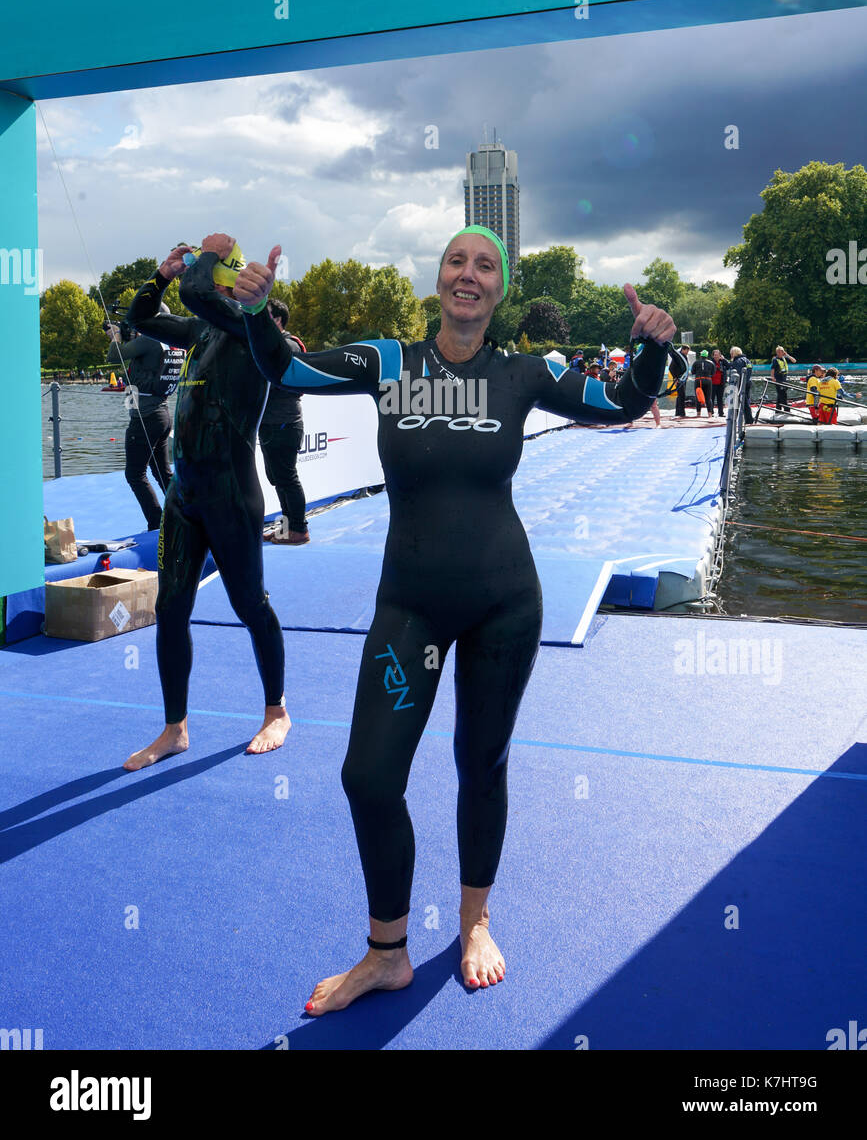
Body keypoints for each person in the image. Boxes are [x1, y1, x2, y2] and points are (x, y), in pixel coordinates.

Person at [234, 227, 676, 1012]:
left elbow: (621, 404)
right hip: (409, 605)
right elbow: (285, 366)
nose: (467, 275)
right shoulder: (388, 363)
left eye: (484, 266)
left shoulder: (524, 371)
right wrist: (257, 313)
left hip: (502, 603)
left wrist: (650, 350)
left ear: (499, 290)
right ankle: (386, 953)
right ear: (437, 280)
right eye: (455, 262)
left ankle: (474, 921)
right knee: (368, 778)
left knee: (482, 764)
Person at [122, 235, 290, 771]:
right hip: (184, 494)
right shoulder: (198, 332)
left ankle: (276, 710)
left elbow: (200, 293)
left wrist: (212, 251)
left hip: (231, 497)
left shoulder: (250, 333)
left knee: (250, 606)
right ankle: (175, 728)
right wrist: (163, 273)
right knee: (170, 608)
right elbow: (141, 315)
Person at [105, 311, 185, 530]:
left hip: (145, 417)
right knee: (162, 472)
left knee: (134, 474)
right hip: (162, 413)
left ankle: (156, 522)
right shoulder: (172, 343)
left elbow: (115, 356)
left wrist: (116, 337)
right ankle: (182, 516)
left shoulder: (149, 341)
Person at [258, 299, 310, 545]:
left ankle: (299, 530)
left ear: (278, 319)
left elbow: (274, 381)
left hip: (285, 422)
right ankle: (286, 527)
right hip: (271, 422)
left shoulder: (288, 345)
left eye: (265, 315)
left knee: (287, 477)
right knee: (276, 477)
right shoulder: (273, 345)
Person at [729, 347, 754, 425]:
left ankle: (735, 420)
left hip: (741, 384)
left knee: (739, 402)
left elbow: (737, 374)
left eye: (731, 353)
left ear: (734, 353)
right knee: (746, 401)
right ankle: (748, 419)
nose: (731, 354)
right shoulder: (747, 360)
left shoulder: (737, 361)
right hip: (748, 382)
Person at [771, 345, 796, 412]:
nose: (780, 353)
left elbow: (794, 361)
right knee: (783, 394)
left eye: (781, 352)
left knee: (780, 395)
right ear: (776, 352)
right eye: (778, 352)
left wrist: (787, 355)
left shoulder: (784, 358)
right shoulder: (775, 360)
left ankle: (777, 409)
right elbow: (772, 369)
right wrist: (772, 377)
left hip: (784, 379)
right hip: (778, 379)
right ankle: (787, 409)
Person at [691, 349, 714, 416]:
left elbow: (693, 372)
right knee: (708, 398)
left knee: (698, 396)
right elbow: (713, 373)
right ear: (707, 356)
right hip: (708, 380)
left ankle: (698, 414)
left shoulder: (696, 362)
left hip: (699, 380)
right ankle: (709, 414)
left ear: (701, 355)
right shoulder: (711, 363)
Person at [709, 348, 730, 419]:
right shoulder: (710, 362)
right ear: (713, 356)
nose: (716, 356)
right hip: (712, 383)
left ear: (720, 355)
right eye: (715, 355)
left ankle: (721, 413)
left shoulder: (722, 362)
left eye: (717, 355)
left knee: (720, 398)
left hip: (721, 383)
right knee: (711, 398)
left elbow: (728, 366)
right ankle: (711, 412)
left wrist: (724, 359)